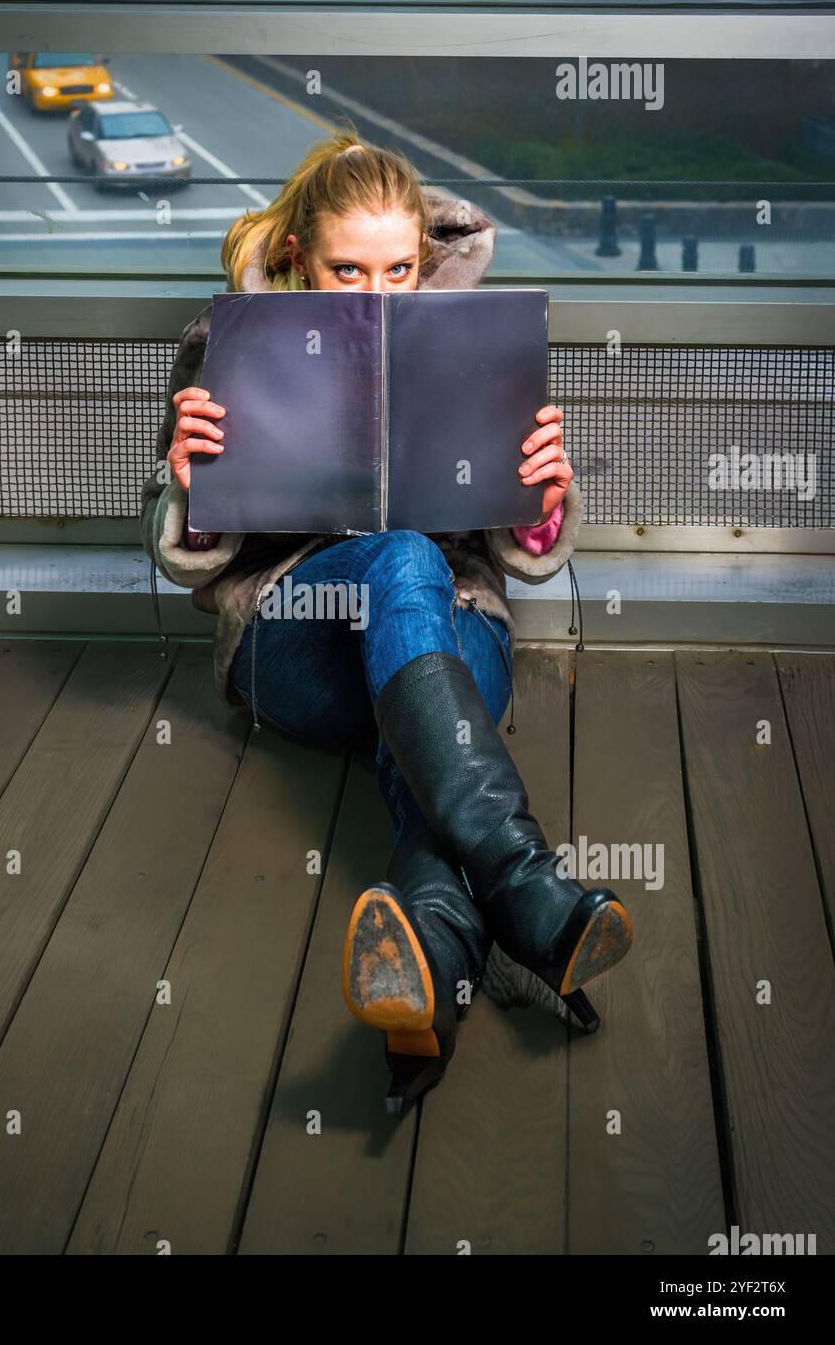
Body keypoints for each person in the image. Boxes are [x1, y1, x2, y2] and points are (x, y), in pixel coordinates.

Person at [140, 127, 633, 1117]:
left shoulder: (467, 348)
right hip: (294, 637)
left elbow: (518, 552)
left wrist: (537, 495)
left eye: (399, 270)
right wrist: (186, 487)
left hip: (449, 636)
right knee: (401, 559)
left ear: (424, 261)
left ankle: (430, 969)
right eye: (347, 270)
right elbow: (193, 559)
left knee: (423, 670)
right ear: (297, 259)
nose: (376, 294)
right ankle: (521, 877)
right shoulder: (224, 342)